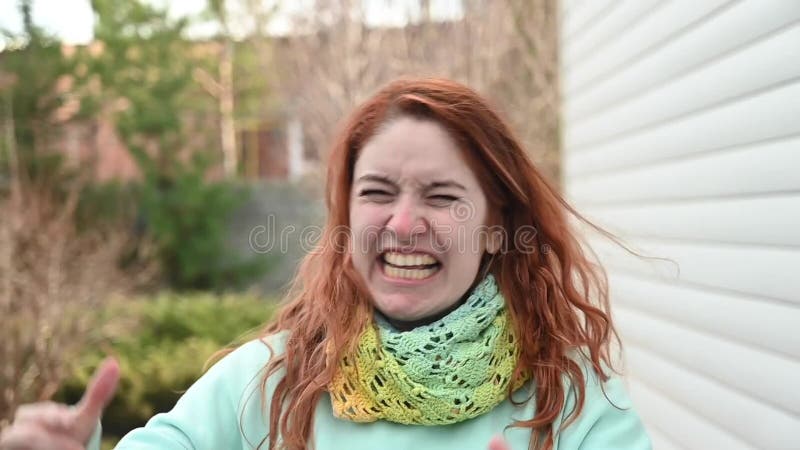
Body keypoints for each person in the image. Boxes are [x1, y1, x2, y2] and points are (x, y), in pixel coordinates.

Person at [0, 78, 651, 450]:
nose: (402, 223)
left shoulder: (575, 406)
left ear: (495, 228)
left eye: (442, 196)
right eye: (377, 192)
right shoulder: (271, 385)